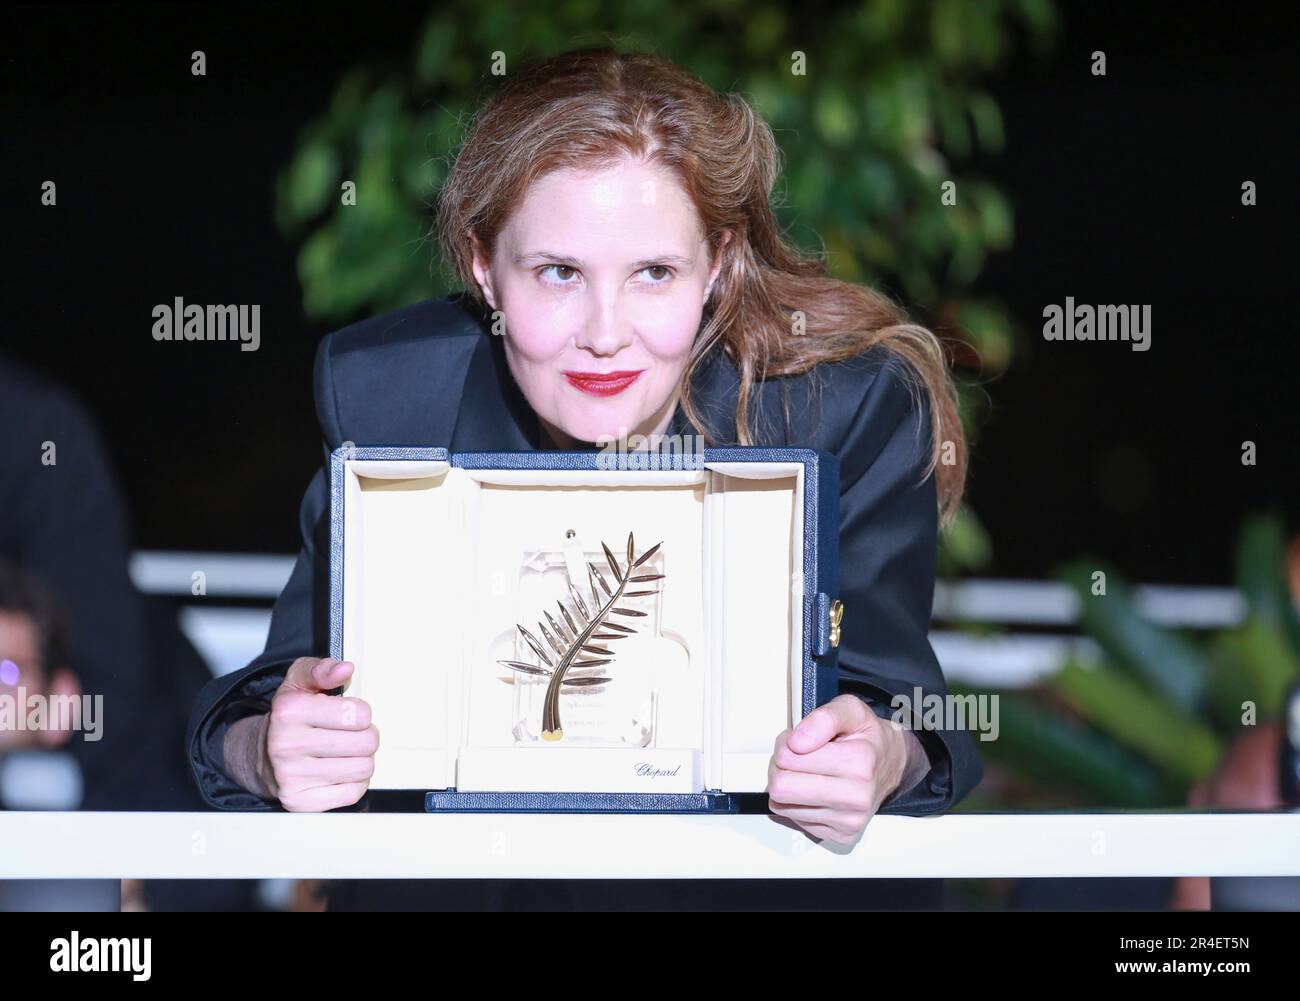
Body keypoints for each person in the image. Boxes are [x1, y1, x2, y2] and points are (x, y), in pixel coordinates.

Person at [186, 46, 984, 910]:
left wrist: (878, 754)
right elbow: (259, 703)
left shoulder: (841, 407)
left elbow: (914, 715)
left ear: (715, 265)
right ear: (484, 264)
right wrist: (274, 745)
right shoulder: (394, 396)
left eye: (654, 273)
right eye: (559, 272)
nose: (605, 333)